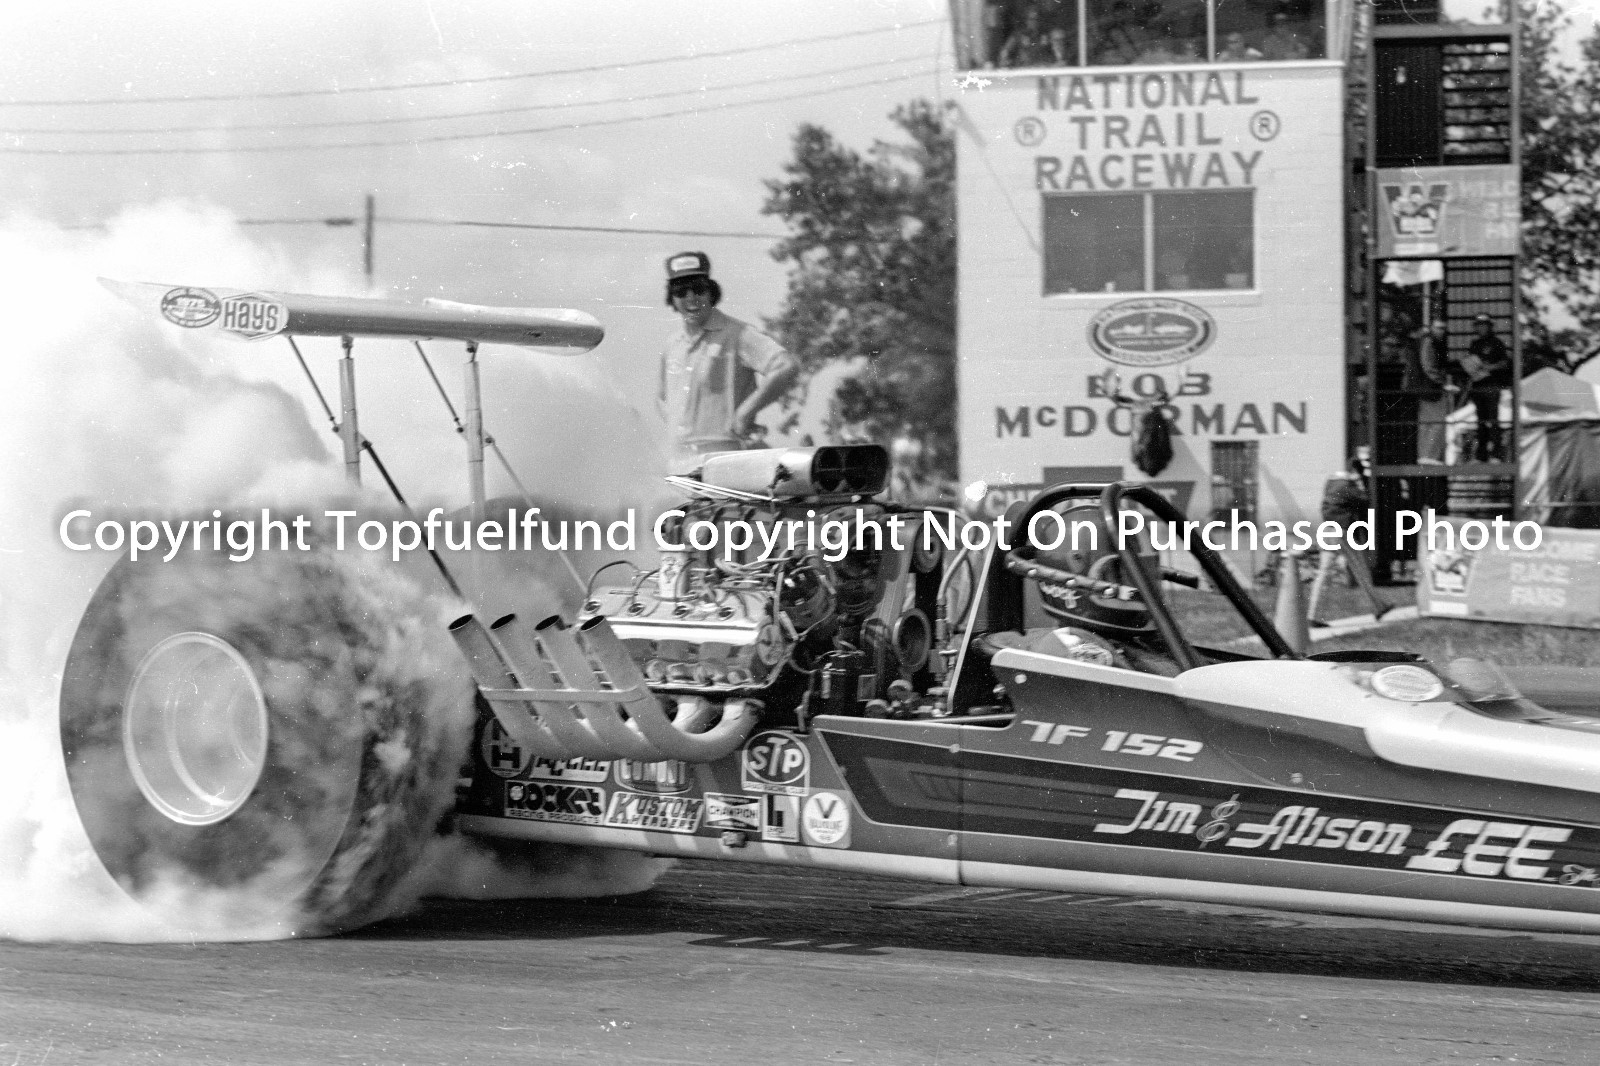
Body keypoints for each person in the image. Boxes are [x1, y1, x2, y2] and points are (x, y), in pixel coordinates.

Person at [658, 251, 798, 459]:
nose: (691, 298)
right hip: (680, 459)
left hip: (726, 456)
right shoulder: (672, 346)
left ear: (711, 292)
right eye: (681, 292)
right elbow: (662, 400)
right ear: (672, 298)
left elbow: (786, 366)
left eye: (698, 289)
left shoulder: (737, 334)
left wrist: (745, 413)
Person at [1307, 459, 1391, 627]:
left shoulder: (1331, 482)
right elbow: (1364, 499)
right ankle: (1378, 607)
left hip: (1327, 528)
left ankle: (1313, 615)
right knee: (1360, 568)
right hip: (1344, 530)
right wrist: (1361, 481)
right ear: (1354, 470)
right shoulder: (1348, 484)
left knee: (1323, 572)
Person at [1455, 313, 1512, 462]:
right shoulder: (1474, 344)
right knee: (1481, 421)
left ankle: (1496, 453)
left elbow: (1504, 363)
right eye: (1478, 325)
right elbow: (1470, 362)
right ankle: (1481, 455)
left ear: (1489, 326)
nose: (1481, 328)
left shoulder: (1497, 343)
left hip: (1492, 385)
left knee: (1493, 419)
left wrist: (1488, 367)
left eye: (1484, 325)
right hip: (1478, 386)